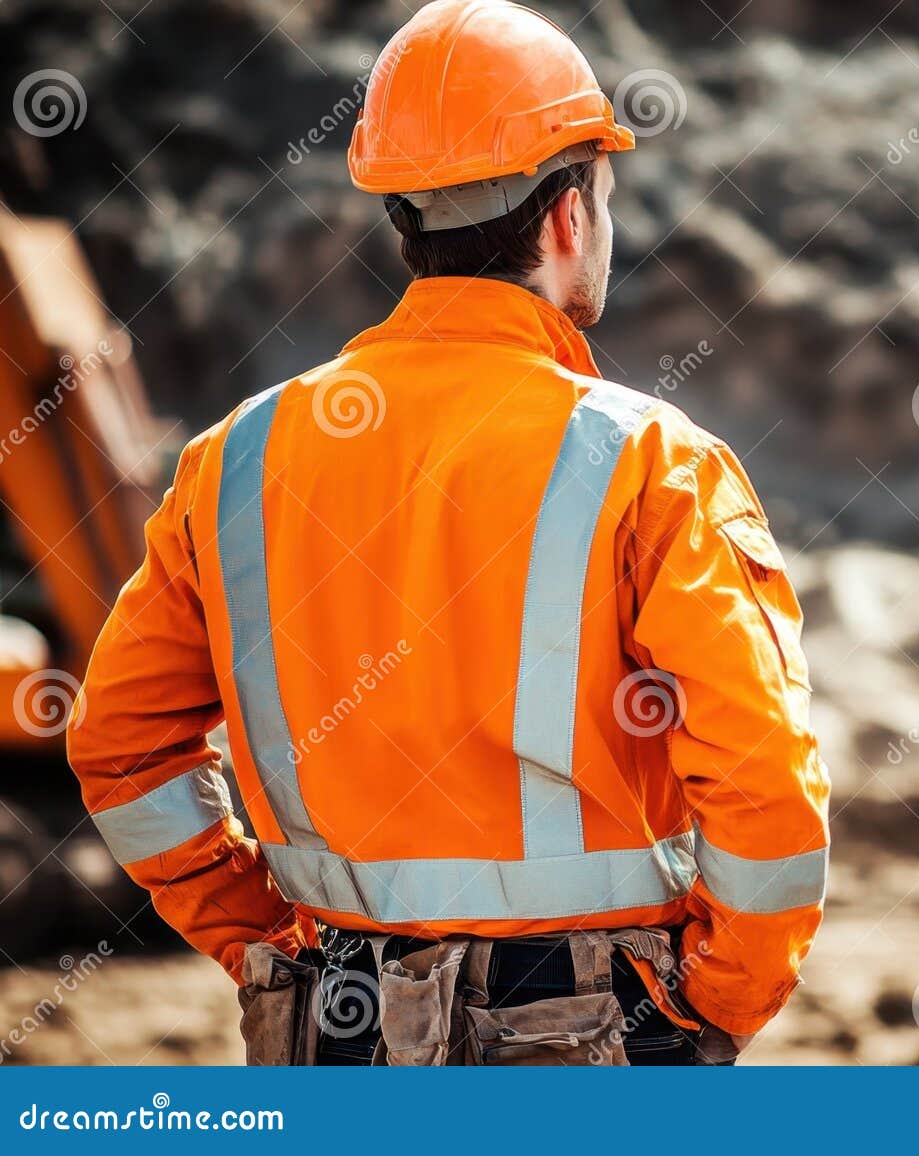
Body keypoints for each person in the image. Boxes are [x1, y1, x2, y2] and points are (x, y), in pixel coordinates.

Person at [67, 0, 829, 1066]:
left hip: (334, 1026)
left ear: (405, 220)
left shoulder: (236, 459)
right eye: (602, 198)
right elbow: (763, 784)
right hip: (584, 1029)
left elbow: (120, 747)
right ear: (569, 218)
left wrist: (261, 937)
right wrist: (712, 1005)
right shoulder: (649, 464)